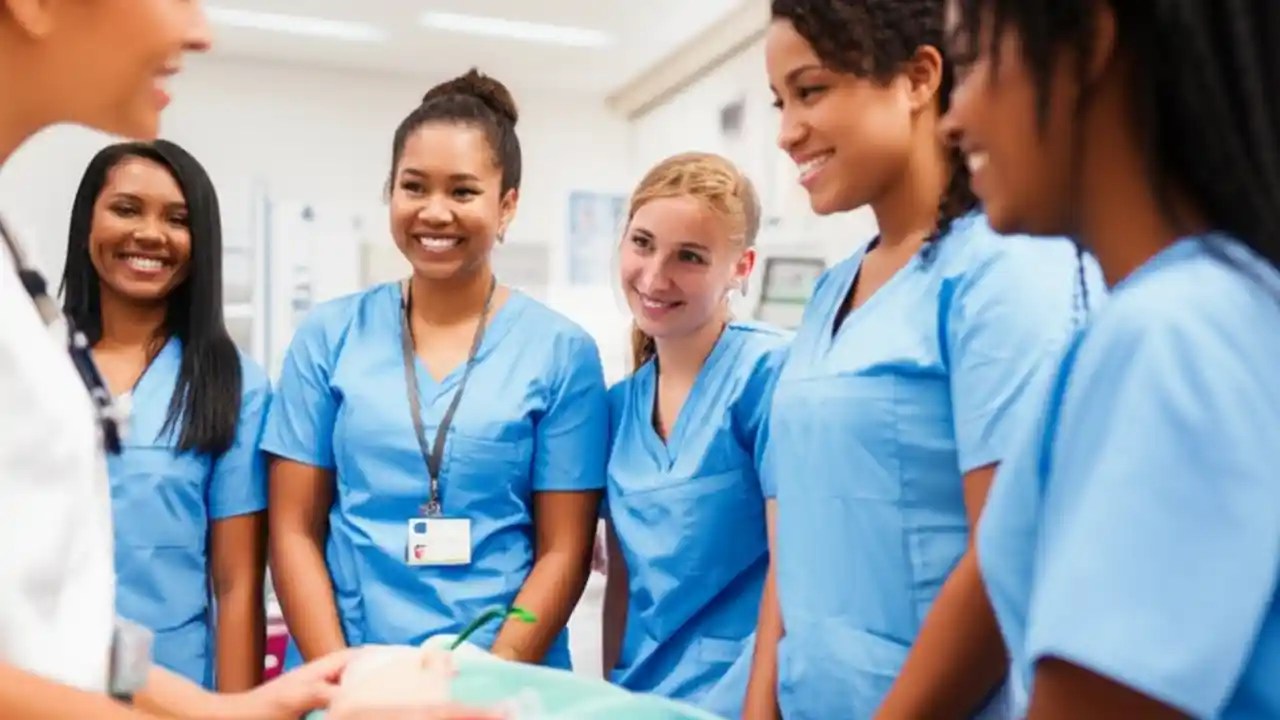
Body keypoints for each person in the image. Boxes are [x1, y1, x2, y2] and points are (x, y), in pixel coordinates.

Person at [0, 1, 363, 718]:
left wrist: (223, 710)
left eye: (176, 218)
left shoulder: (20, 273)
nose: (202, 30)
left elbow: (63, 618)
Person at [743, 1, 1102, 718]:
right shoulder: (829, 293)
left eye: (811, 92)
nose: (786, 132)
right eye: (780, 103)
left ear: (918, 78)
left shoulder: (1003, 269)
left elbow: (1007, 553)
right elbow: (800, 536)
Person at [939, 0, 1280, 717]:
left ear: (1089, 41)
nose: (953, 118)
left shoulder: (1177, 335)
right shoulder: (1217, 307)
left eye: (970, 62)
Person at [265, 68, 607, 671]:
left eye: (464, 191)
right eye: (414, 187)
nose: (435, 212)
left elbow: (565, 550)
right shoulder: (329, 337)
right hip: (348, 669)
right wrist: (344, 683)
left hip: (505, 677)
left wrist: (490, 678)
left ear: (507, 206)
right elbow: (293, 530)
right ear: (390, 193)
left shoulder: (560, 352)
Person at [60, 139, 269, 691]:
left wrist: (235, 712)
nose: (150, 234)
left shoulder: (233, 384)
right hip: (38, 678)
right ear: (88, 223)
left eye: (178, 219)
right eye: (127, 209)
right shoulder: (32, 364)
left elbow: (236, 582)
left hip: (174, 687)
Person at [601, 152, 787, 717]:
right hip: (643, 696)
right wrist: (611, 698)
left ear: (741, 266)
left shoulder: (770, 375)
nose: (655, 276)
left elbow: (794, 569)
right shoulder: (618, 406)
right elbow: (623, 581)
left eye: (689, 257)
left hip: (743, 695)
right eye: (642, 243)